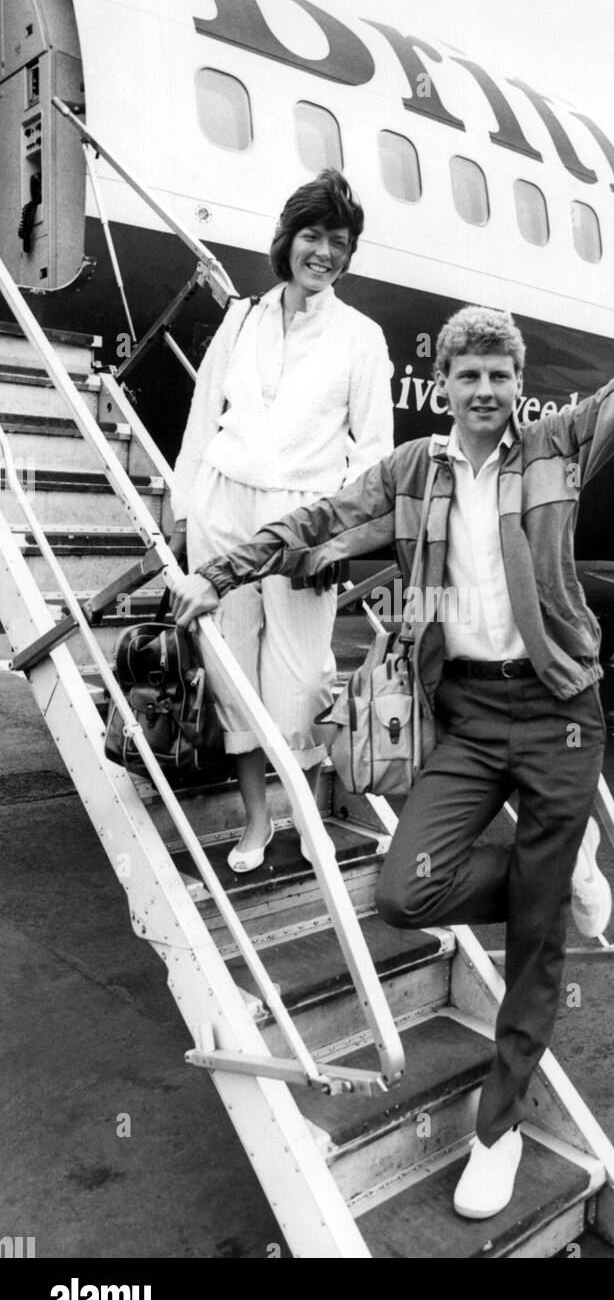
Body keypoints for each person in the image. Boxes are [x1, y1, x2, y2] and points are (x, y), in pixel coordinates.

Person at [172, 147, 614, 1218]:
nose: (480, 391)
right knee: (406, 889)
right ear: (446, 384)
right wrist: (219, 570)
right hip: (463, 715)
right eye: (464, 375)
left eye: (497, 375)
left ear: (517, 387)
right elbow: (318, 519)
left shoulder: (559, 447)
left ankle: (498, 1129)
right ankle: (554, 875)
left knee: (536, 952)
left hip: (555, 713)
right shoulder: (413, 468)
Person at [170, 170, 394, 872]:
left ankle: (304, 815)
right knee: (234, 671)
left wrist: (338, 537)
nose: (323, 252)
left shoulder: (362, 336)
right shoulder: (242, 317)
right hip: (225, 507)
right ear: (286, 240)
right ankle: (257, 821)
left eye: (338, 241)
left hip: (304, 523)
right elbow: (204, 417)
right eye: (312, 235)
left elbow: (376, 452)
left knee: (297, 678)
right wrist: (183, 511)